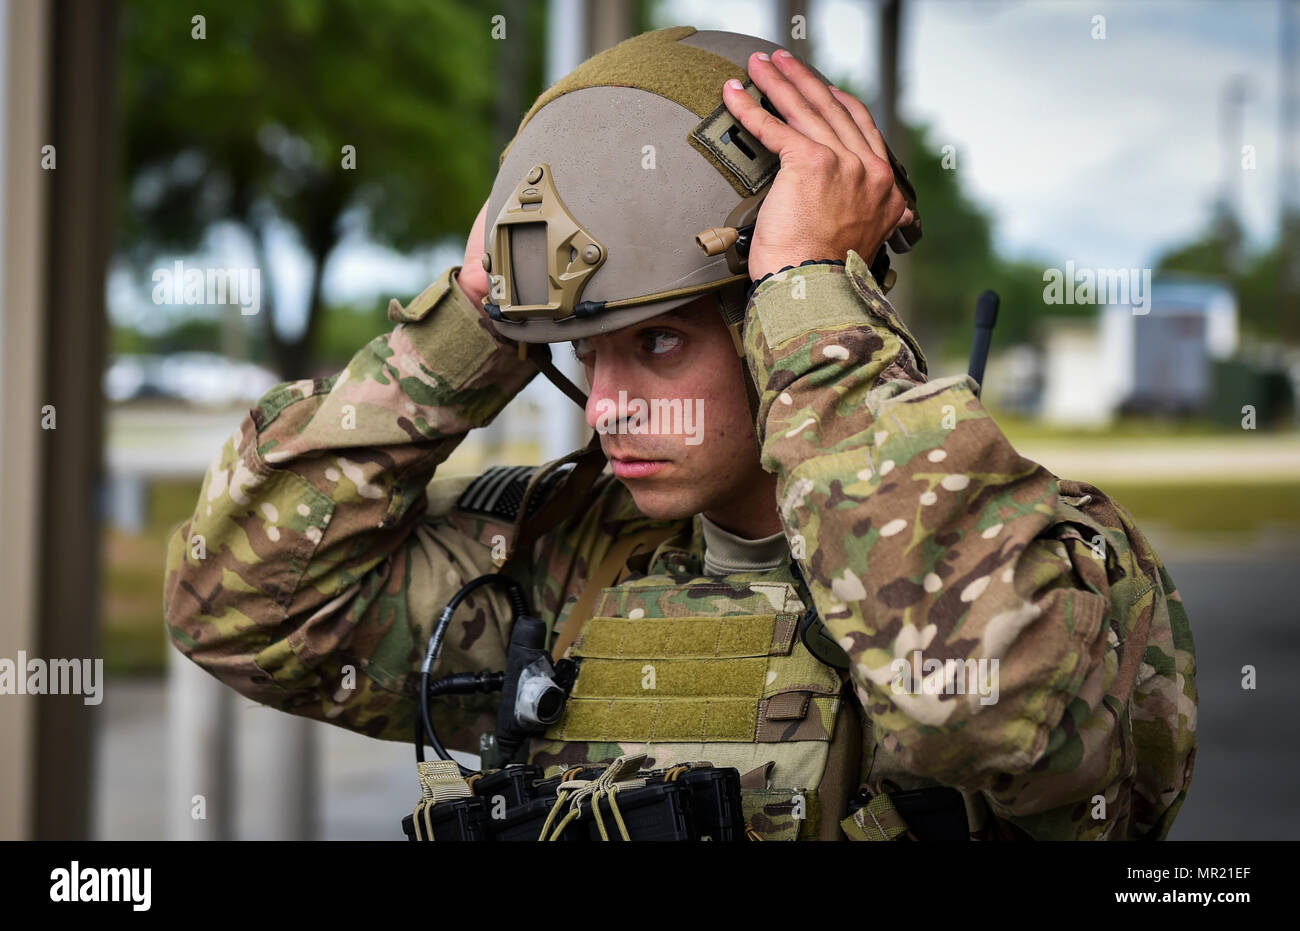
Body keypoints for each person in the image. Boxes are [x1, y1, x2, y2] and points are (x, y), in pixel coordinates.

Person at [163, 26, 1197, 841]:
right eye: (584, 352)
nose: (609, 405)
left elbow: (975, 713)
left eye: (656, 342)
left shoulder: (1042, 570)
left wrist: (814, 314)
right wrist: (471, 323)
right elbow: (245, 607)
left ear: (777, 317)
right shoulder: (561, 560)